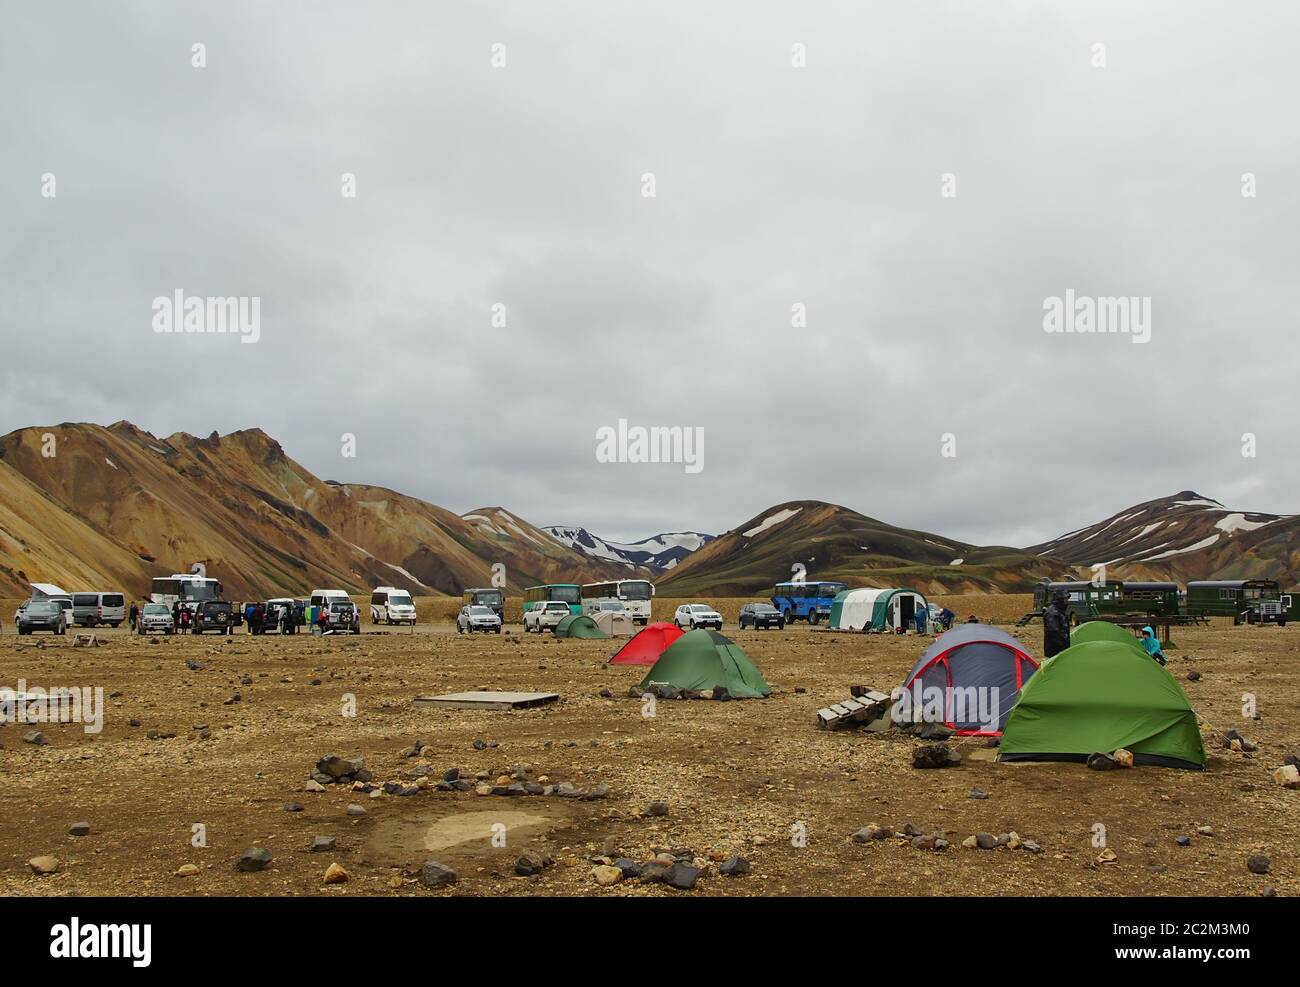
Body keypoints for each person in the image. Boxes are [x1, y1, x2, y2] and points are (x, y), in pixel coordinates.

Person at [1043, 589, 1071, 658]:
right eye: (1065, 598)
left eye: (1067, 598)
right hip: (1055, 649)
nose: (1067, 600)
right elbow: (1053, 631)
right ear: (1060, 599)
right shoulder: (1052, 612)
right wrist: (1061, 647)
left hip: (1061, 647)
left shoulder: (1060, 610)